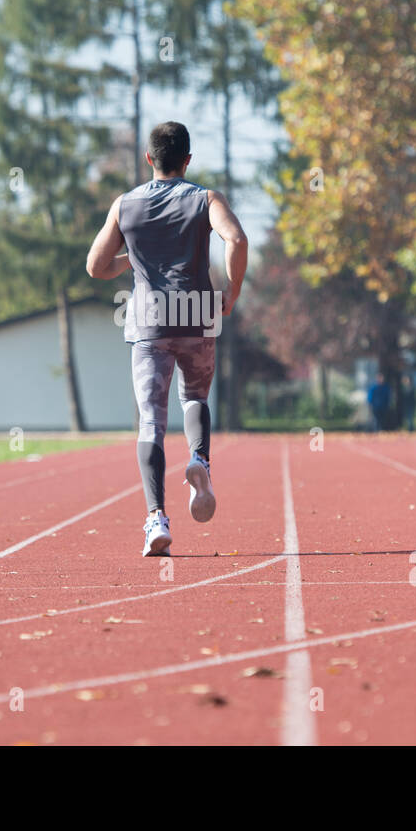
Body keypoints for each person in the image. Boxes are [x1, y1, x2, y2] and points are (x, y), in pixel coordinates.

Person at [85, 121, 248, 557]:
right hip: (196, 314)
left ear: (149, 159)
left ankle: (156, 518)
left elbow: (96, 267)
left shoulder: (125, 205)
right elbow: (236, 238)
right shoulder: (205, 198)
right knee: (194, 399)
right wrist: (231, 290)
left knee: (151, 423)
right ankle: (199, 461)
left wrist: (132, 258)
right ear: (188, 160)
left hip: (148, 321)